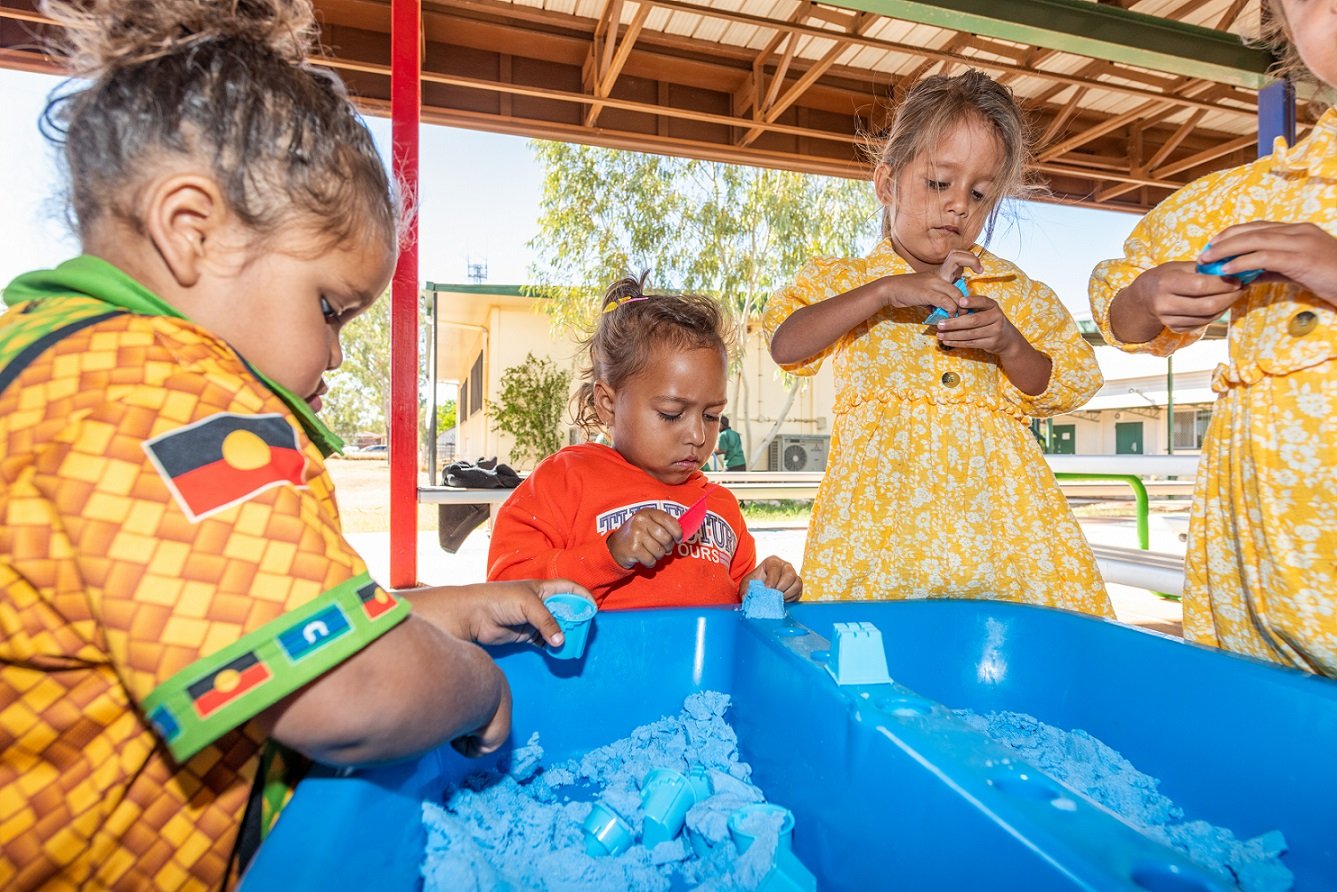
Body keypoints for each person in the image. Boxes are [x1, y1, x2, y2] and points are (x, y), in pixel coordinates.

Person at [0, 2, 590, 888]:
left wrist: (450, 608)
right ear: (190, 229)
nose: (337, 353)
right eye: (329, 308)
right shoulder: (163, 392)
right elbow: (341, 694)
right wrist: (476, 683)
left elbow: (281, 634)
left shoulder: (62, 363)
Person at [763, 70, 1112, 616]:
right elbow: (786, 344)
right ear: (886, 183)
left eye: (978, 193)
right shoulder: (847, 282)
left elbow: (1068, 381)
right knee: (879, 666)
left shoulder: (1013, 293)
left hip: (1002, 538)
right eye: (938, 183)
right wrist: (881, 292)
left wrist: (1010, 345)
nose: (958, 207)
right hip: (880, 543)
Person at [1088, 0, 1336, 675]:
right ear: (1284, 28)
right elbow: (1119, 311)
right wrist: (1148, 297)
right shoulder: (1244, 198)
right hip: (1252, 601)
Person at [487, 274, 802, 609]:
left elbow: (736, 601)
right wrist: (607, 555)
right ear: (608, 402)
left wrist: (761, 588)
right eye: (671, 413)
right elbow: (506, 591)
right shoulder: (563, 482)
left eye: (711, 416)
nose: (697, 436)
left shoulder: (721, 507)